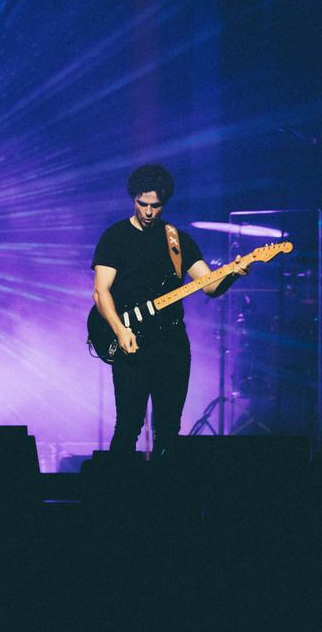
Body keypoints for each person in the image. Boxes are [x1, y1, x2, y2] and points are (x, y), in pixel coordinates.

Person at [91, 163, 248, 456]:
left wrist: (234, 273)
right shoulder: (115, 237)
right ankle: (114, 495)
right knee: (128, 424)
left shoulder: (178, 240)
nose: (149, 212)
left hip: (172, 345)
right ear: (133, 199)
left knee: (169, 427)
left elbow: (209, 286)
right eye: (143, 204)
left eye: (156, 206)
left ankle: (166, 497)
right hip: (131, 342)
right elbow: (101, 292)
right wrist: (120, 329)